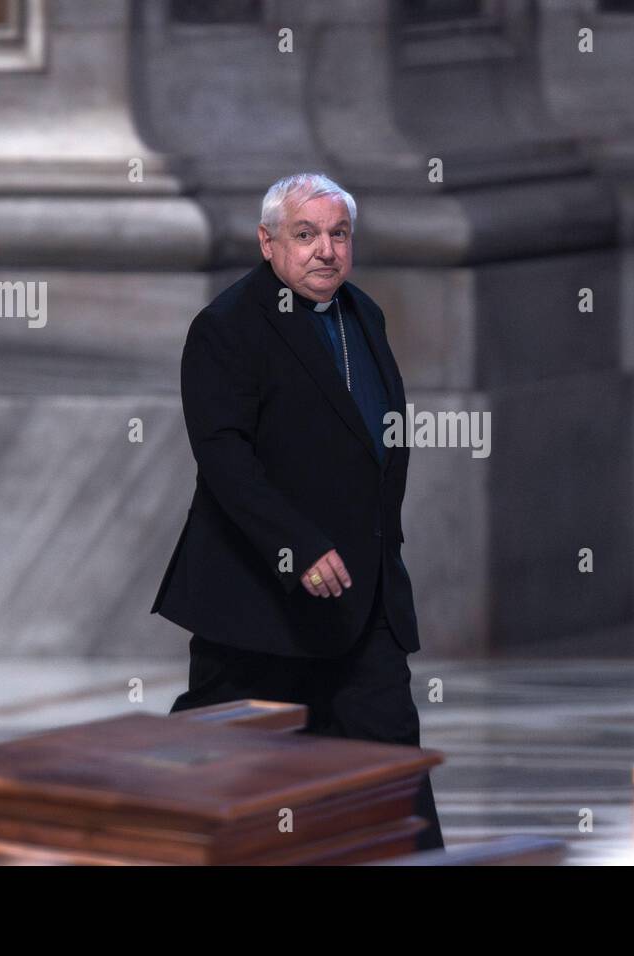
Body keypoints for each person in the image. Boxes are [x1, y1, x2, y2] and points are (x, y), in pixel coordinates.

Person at [151, 171, 442, 850]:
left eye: (338, 234)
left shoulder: (363, 314)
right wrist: (298, 546)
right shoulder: (226, 329)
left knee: (393, 769)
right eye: (305, 235)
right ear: (267, 242)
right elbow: (225, 462)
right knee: (227, 777)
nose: (325, 251)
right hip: (260, 603)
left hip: (363, 600)